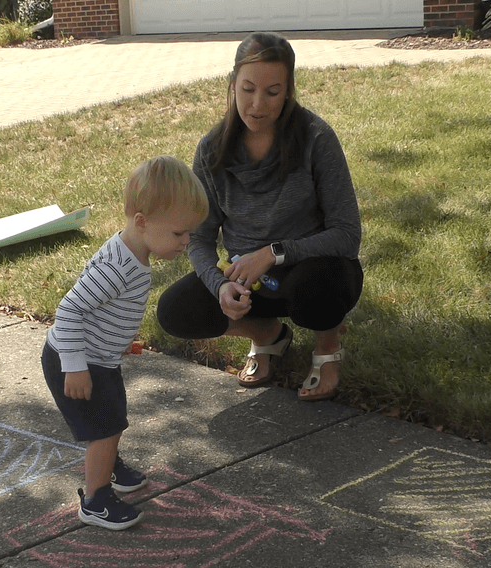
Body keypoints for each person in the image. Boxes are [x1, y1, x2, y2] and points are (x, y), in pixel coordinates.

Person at [156, 32, 363, 403]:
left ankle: (327, 346)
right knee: (175, 311)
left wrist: (272, 253)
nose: (257, 104)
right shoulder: (211, 149)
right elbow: (200, 237)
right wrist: (220, 286)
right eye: (248, 88)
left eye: (272, 92)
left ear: (288, 91)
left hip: (313, 269)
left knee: (316, 290)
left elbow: (347, 234)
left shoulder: (317, 138)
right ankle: (267, 336)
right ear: (232, 84)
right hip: (250, 282)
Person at [42, 155, 209, 530]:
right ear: (142, 222)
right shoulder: (120, 267)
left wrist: (118, 338)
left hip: (98, 357)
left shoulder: (133, 248)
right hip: (79, 361)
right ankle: (96, 500)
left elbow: (104, 310)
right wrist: (75, 365)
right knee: (103, 429)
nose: (186, 242)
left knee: (111, 421)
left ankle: (109, 465)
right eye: (179, 234)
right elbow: (69, 311)